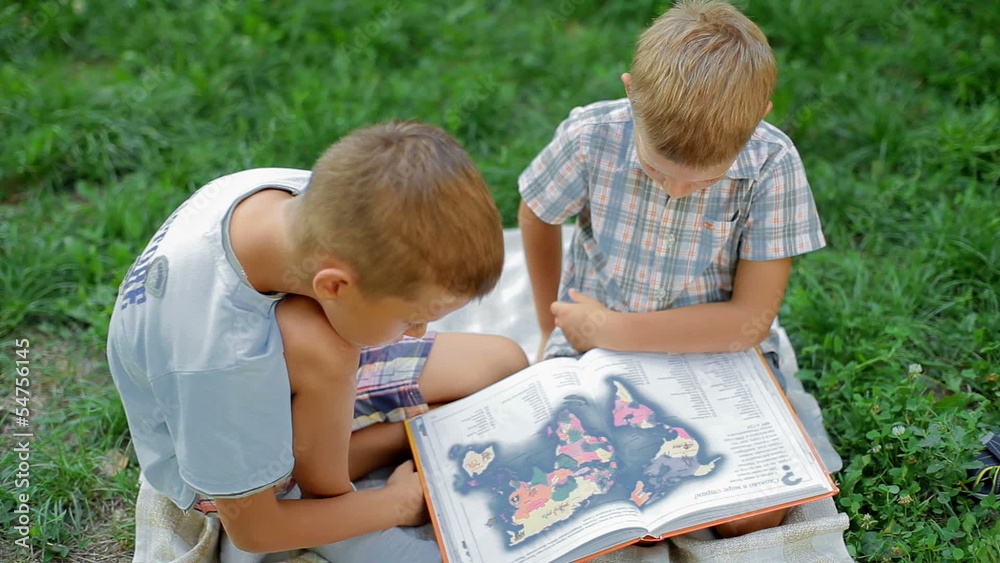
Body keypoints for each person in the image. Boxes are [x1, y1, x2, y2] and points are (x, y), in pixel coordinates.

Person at [108, 120, 528, 558]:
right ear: (333, 287)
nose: (419, 332)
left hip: (286, 361)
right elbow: (254, 530)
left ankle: (391, 438)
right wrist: (395, 504)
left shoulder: (305, 202)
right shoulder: (217, 358)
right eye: (411, 318)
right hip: (217, 445)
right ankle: (331, 492)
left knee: (501, 364)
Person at [518, 0, 824, 537]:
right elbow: (536, 212)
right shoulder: (591, 136)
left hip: (708, 349)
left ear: (759, 118)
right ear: (631, 91)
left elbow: (749, 322)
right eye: (656, 169)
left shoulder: (773, 164)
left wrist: (616, 330)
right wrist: (552, 323)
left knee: (755, 514)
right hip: (594, 346)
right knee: (566, 490)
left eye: (703, 183)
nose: (677, 190)